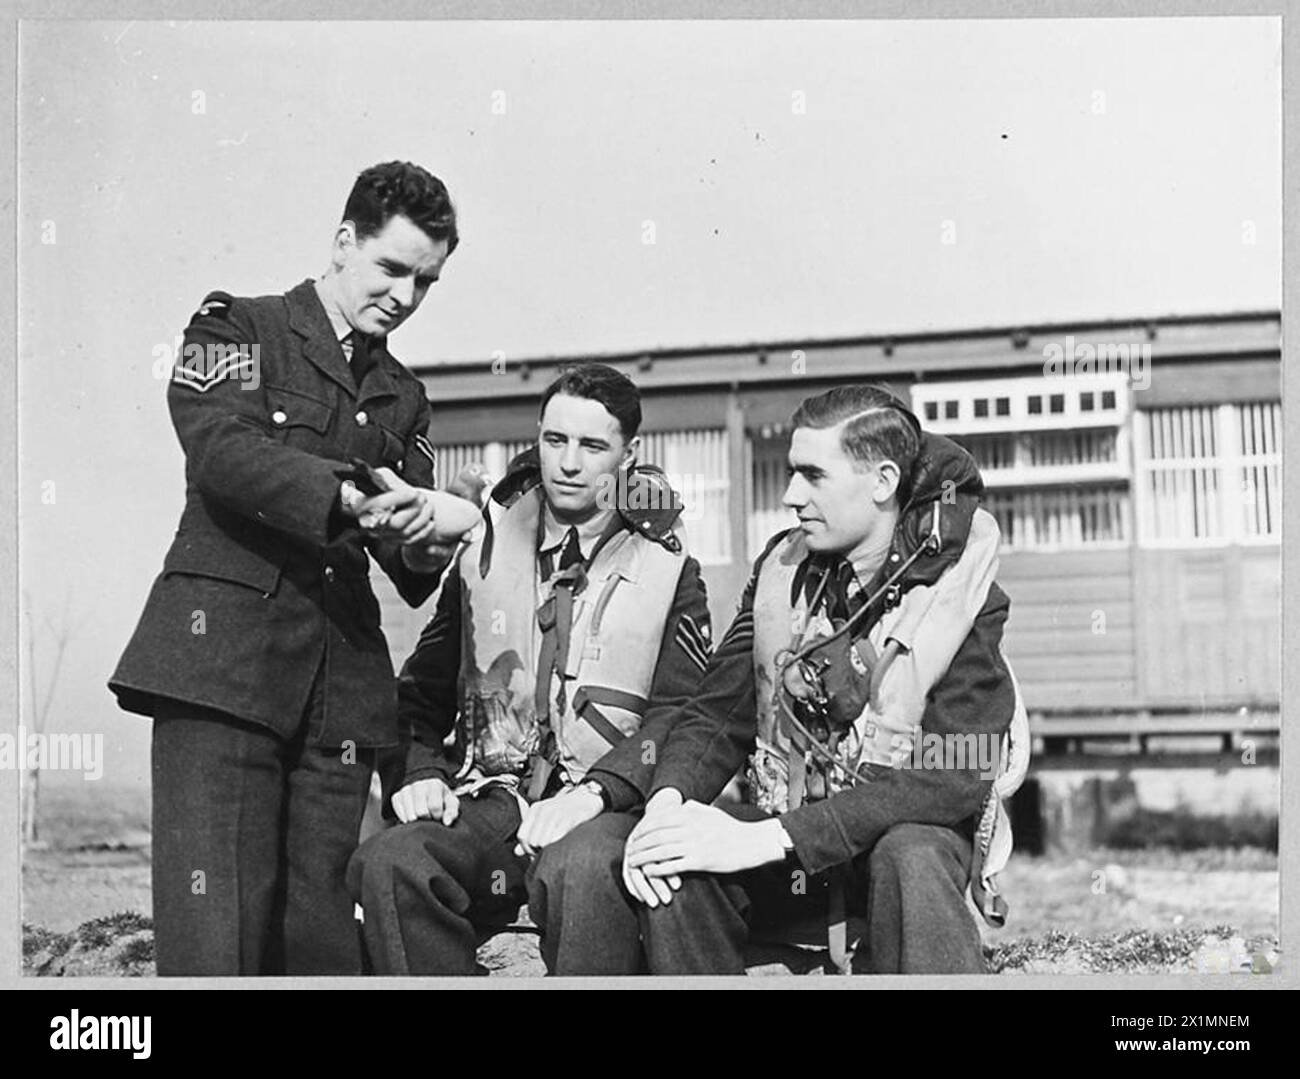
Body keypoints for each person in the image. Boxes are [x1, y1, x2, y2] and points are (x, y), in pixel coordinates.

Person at [109, 161, 476, 976]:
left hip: (338, 700)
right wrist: (352, 499)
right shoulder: (234, 327)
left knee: (317, 941)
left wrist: (423, 532)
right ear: (344, 242)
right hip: (224, 673)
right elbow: (223, 452)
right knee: (218, 936)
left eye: (426, 281)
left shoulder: (403, 395)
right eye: (392, 268)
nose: (406, 297)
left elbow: (403, 560)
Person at [545, 385, 1029, 975]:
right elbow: (715, 713)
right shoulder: (782, 571)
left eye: (812, 475)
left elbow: (954, 776)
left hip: (889, 845)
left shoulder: (963, 592)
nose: (789, 494)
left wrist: (772, 838)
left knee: (914, 854)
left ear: (881, 481)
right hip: (790, 837)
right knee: (679, 857)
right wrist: (670, 805)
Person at [346, 363, 713, 975]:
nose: (568, 463)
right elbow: (419, 692)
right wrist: (419, 772)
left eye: (593, 446)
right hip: (494, 797)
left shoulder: (671, 569)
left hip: (604, 808)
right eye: (554, 440)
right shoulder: (482, 552)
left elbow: (681, 717)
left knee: (583, 868)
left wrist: (599, 793)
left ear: (630, 454)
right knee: (394, 862)